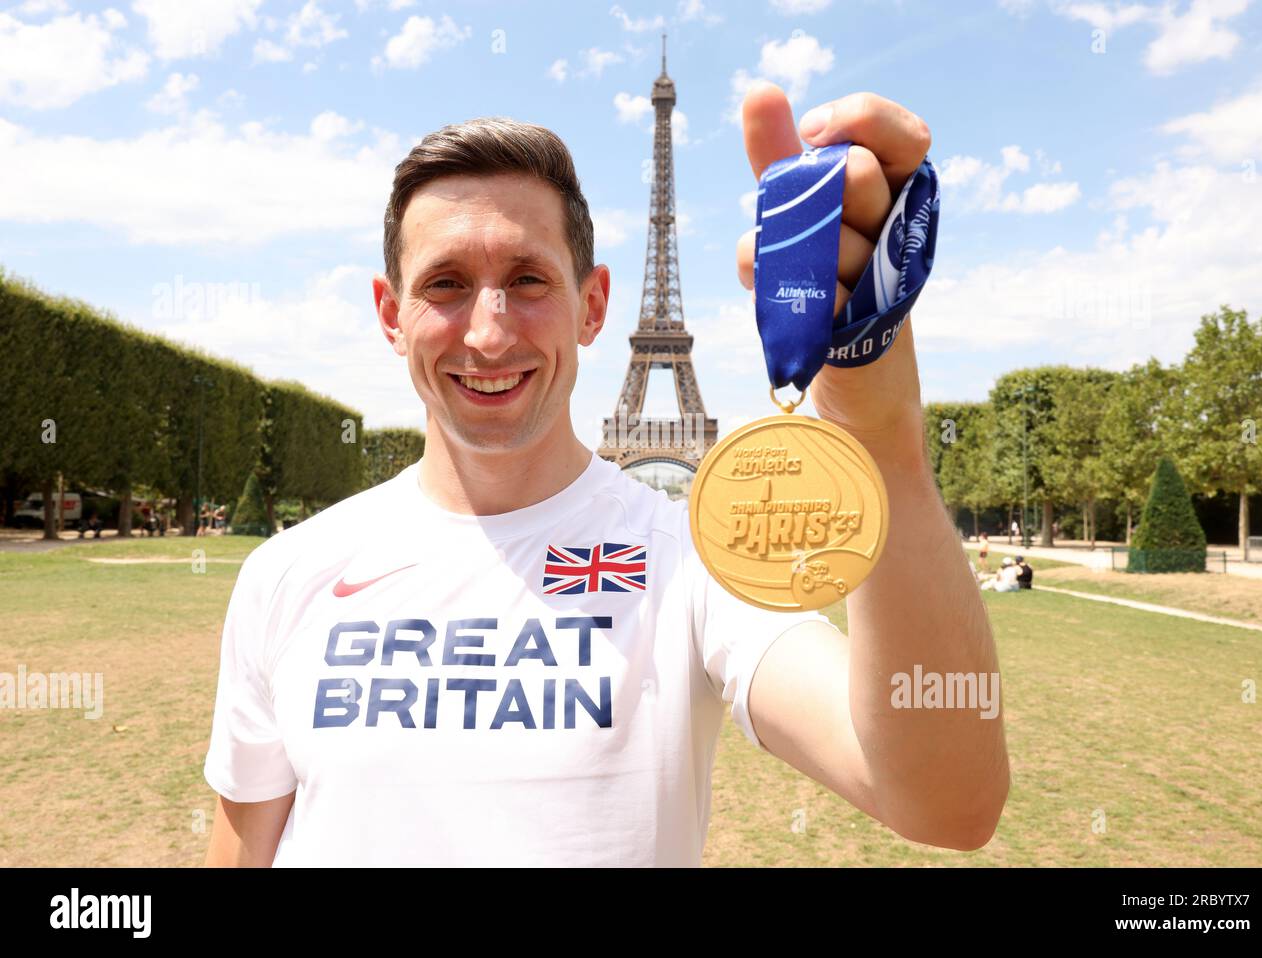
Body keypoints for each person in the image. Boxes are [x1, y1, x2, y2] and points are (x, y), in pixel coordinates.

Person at [202, 86, 1008, 867]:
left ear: (594, 306)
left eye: (528, 280)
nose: (488, 333)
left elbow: (945, 804)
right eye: (446, 283)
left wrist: (877, 434)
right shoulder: (286, 574)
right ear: (390, 314)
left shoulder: (696, 561)